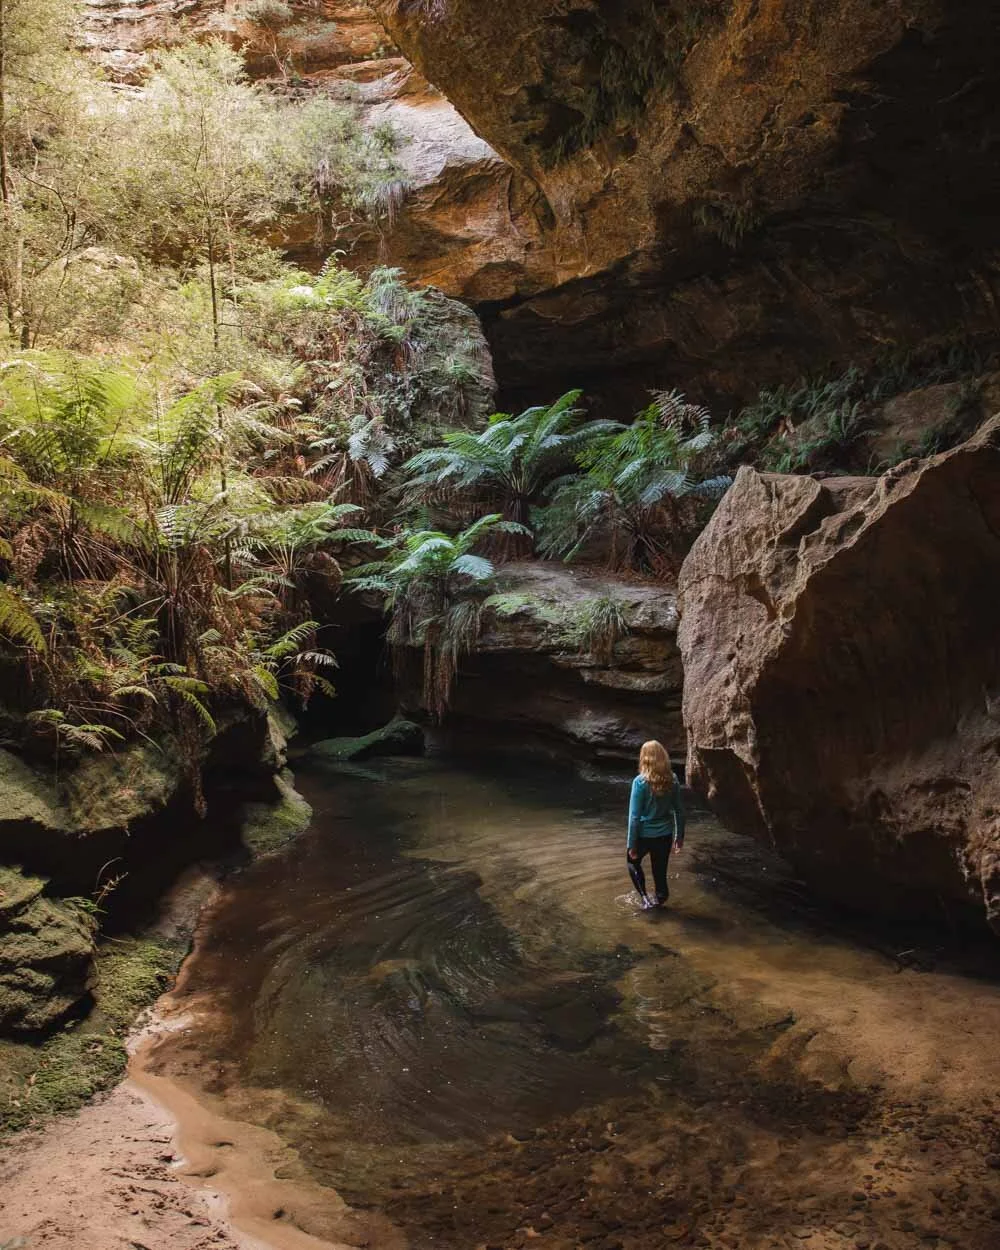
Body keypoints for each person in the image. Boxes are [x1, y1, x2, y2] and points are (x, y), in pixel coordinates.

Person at [626, 740, 685, 910]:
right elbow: (680, 811)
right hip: (664, 835)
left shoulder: (639, 782)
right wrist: (679, 837)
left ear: (644, 758)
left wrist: (632, 845)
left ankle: (644, 899)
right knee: (660, 874)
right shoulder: (672, 779)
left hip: (644, 835)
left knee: (632, 863)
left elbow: (634, 817)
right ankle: (660, 901)